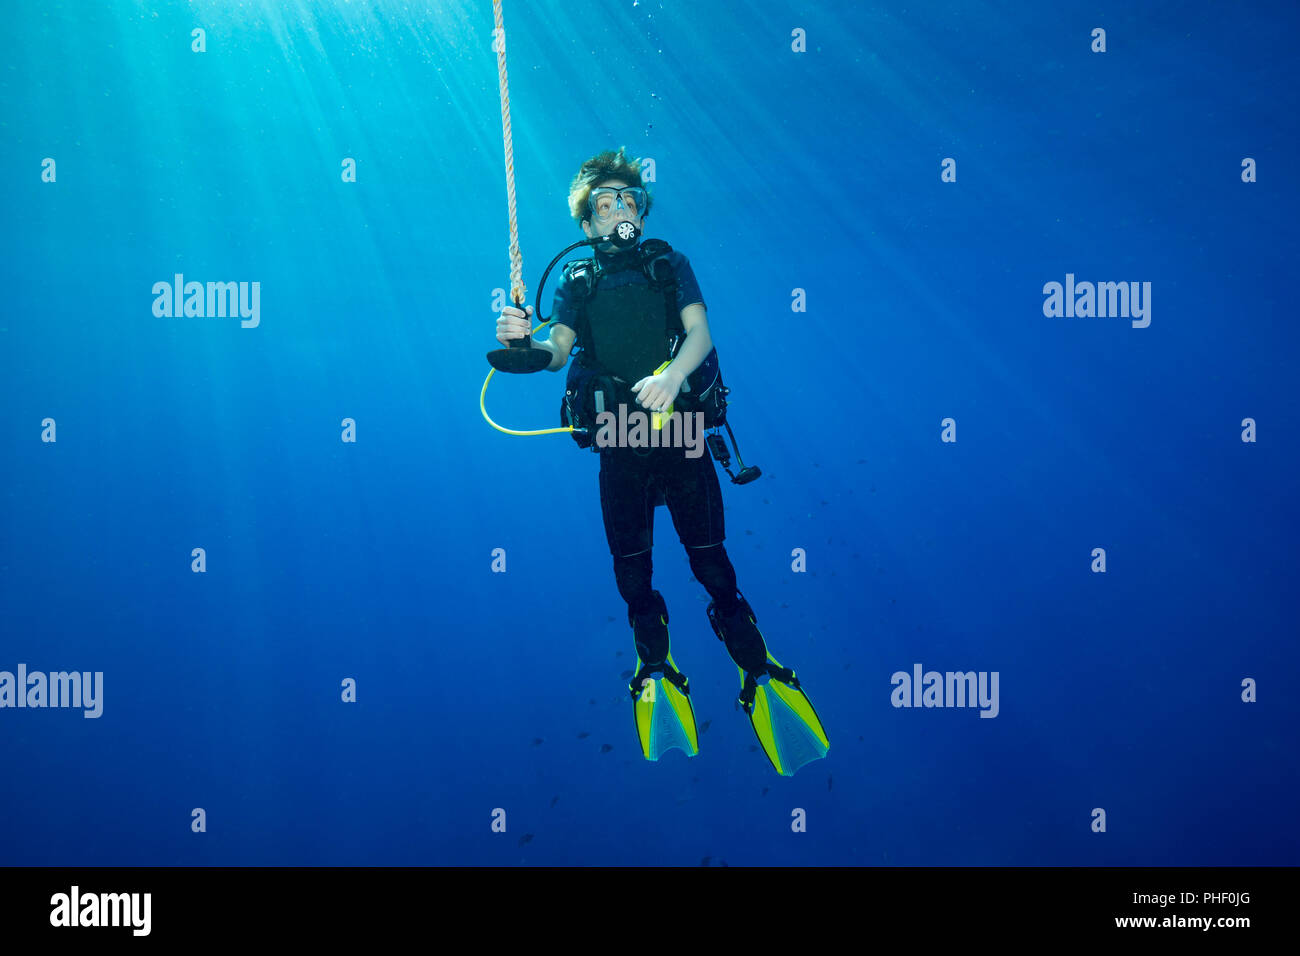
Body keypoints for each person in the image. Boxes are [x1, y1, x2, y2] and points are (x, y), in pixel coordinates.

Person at [495, 147, 828, 776]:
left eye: (630, 199)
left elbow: (701, 335)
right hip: (620, 442)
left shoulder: (668, 263)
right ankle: (655, 665)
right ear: (586, 223)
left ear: (641, 212)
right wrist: (521, 344)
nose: (620, 209)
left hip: (681, 434)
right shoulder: (577, 281)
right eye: (606, 202)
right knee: (633, 574)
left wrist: (674, 378)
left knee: (712, 565)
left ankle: (758, 668)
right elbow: (557, 351)